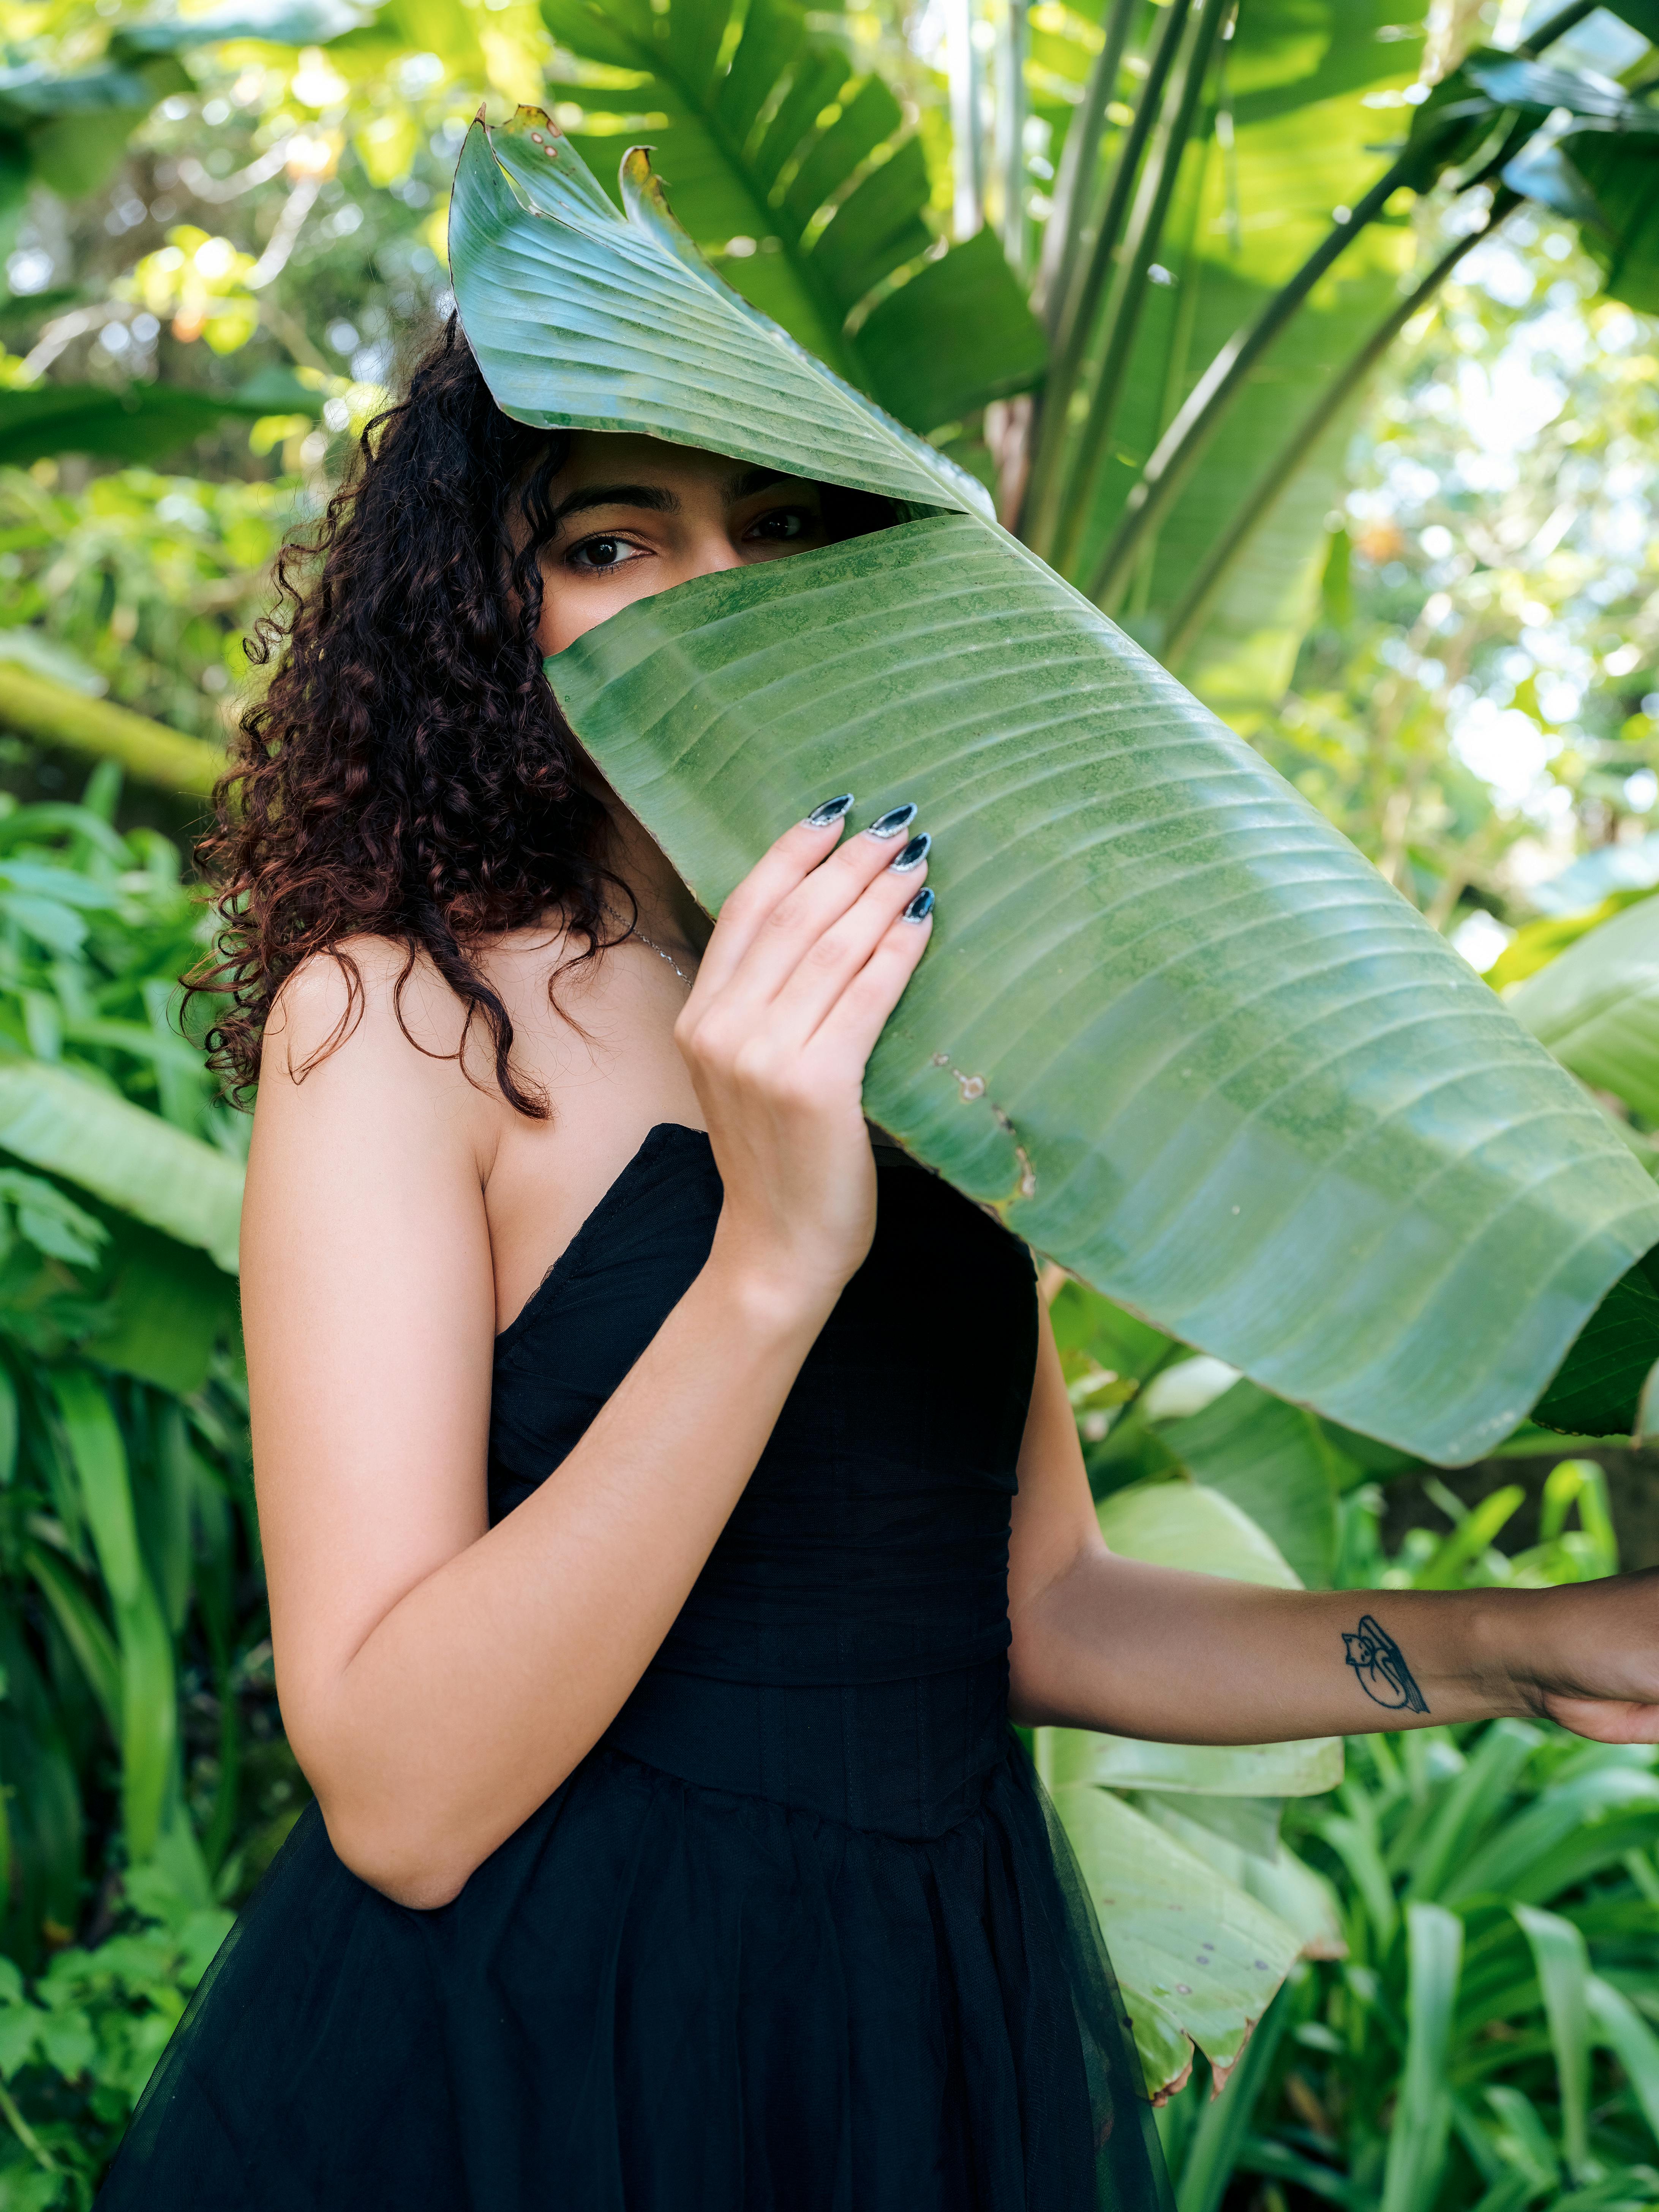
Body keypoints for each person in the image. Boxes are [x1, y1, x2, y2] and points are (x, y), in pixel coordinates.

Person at [98, 319, 1659, 2212]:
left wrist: (1509, 1646)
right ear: (490, 616)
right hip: (552, 2046)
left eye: (777, 532)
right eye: (612, 544)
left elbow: (1037, 1604)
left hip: (929, 2014)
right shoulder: (403, 1021)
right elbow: (404, 1804)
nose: (715, 600)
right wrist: (772, 1260)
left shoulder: (953, 1029)